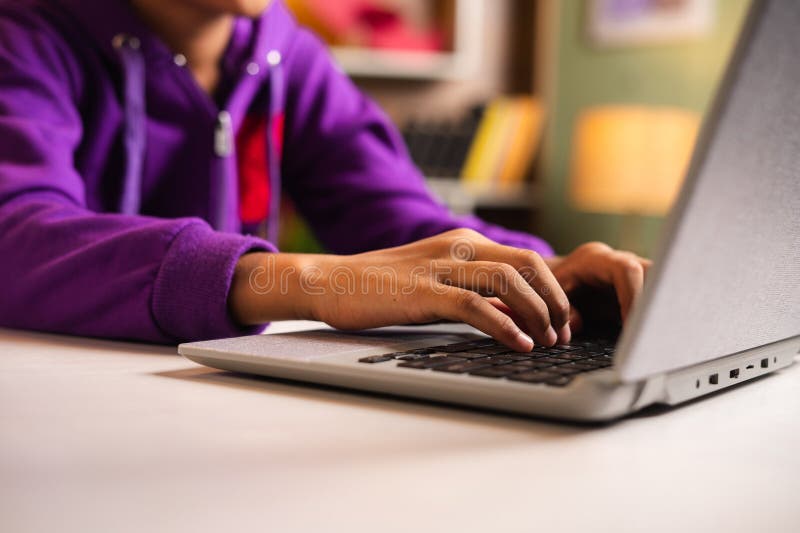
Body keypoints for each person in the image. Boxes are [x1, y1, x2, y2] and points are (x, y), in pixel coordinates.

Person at [0, 0, 650, 351]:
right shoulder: (23, 33)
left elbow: (401, 218)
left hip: (210, 412)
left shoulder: (287, 57)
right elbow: (15, 234)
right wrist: (313, 279)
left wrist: (542, 269)